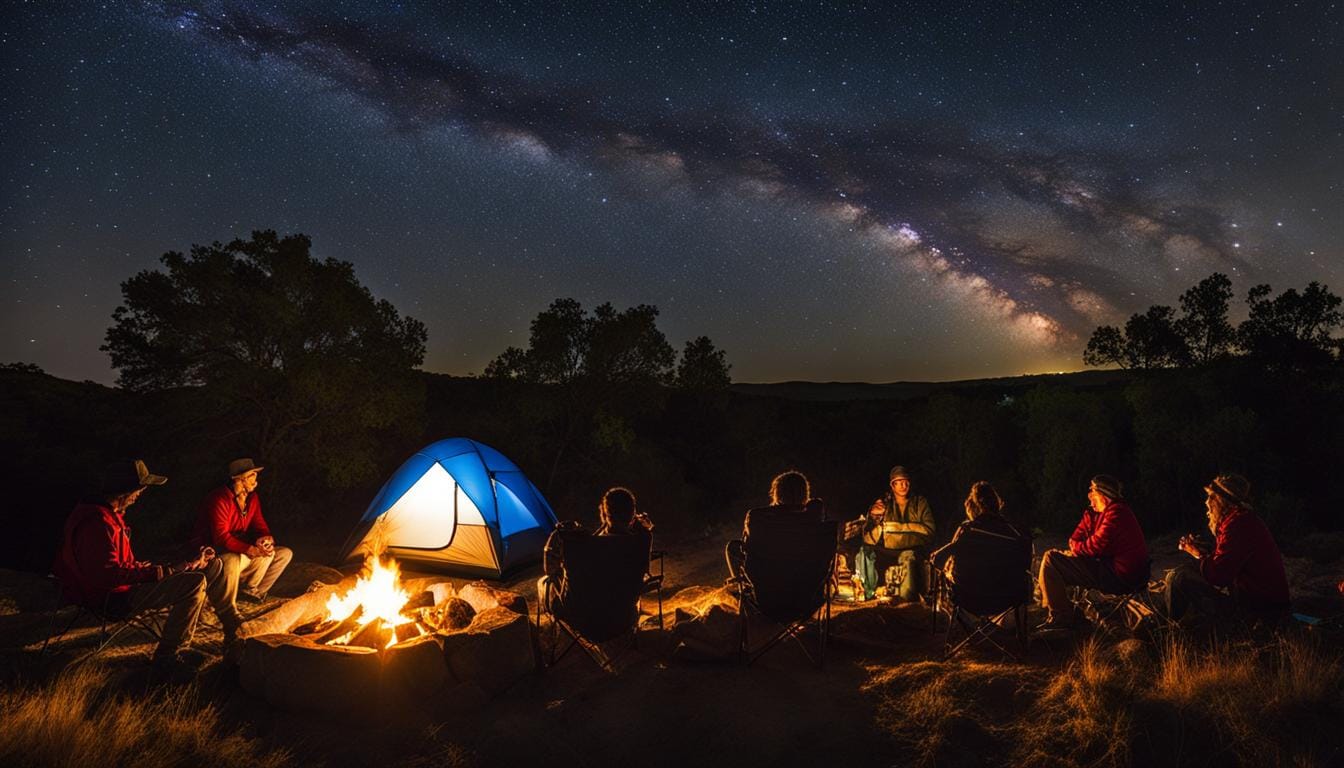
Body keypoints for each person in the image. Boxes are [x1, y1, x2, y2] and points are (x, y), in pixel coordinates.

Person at [53, 460, 243, 680]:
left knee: (201, 570)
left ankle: (220, 629)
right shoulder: (98, 524)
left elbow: (119, 566)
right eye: (139, 489)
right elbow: (108, 575)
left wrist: (183, 566)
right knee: (194, 583)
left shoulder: (107, 515)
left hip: (118, 589)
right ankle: (168, 657)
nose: (140, 495)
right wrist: (161, 572)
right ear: (126, 490)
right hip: (111, 600)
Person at [1164, 473, 1290, 624]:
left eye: (1211, 497)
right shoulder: (1241, 520)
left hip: (1259, 613)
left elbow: (1218, 576)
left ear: (1222, 501)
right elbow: (1229, 562)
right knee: (1183, 571)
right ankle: (1175, 624)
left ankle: (1171, 631)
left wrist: (1197, 554)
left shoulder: (1238, 525)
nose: (1207, 503)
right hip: (1262, 605)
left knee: (1179, 577)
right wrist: (1206, 551)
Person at [1036, 474, 1148, 632]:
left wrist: (1075, 549)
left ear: (1103, 497)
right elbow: (1075, 538)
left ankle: (1064, 617)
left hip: (1121, 577)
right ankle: (1066, 611)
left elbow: (1094, 547)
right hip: (1113, 568)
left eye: (1093, 498)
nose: (1091, 503)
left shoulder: (1116, 513)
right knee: (1055, 558)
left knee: (1051, 560)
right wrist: (1088, 522)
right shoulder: (1101, 513)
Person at [192, 458, 292, 603]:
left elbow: (259, 525)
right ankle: (246, 590)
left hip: (241, 551)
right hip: (219, 554)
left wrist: (265, 539)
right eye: (252, 475)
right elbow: (221, 538)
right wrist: (250, 549)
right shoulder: (220, 499)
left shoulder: (252, 498)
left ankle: (253, 594)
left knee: (283, 554)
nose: (255, 478)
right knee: (263, 555)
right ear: (239, 479)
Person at [537, 487, 653, 609]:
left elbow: (549, 569)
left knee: (544, 582)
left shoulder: (574, 542)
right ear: (632, 514)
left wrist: (562, 532)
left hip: (579, 618)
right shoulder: (643, 540)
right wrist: (643, 528)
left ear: (603, 513)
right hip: (623, 618)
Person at [844, 465, 934, 601]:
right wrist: (874, 518)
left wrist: (897, 527)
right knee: (864, 552)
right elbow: (868, 539)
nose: (903, 486)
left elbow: (930, 530)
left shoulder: (919, 503)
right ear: (893, 485)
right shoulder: (885, 503)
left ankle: (908, 594)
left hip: (911, 550)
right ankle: (868, 592)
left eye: (905, 481)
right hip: (887, 549)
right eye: (898, 482)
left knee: (908, 589)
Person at [724, 470, 826, 581]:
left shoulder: (758, 516)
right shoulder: (813, 515)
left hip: (765, 579)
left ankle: (739, 582)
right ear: (805, 492)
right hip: (805, 577)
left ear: (776, 492)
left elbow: (747, 546)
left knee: (733, 547)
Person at [930, 481, 1028, 586]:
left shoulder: (968, 530)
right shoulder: (1013, 532)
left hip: (971, 596)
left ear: (976, 505)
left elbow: (937, 559)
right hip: (1007, 595)